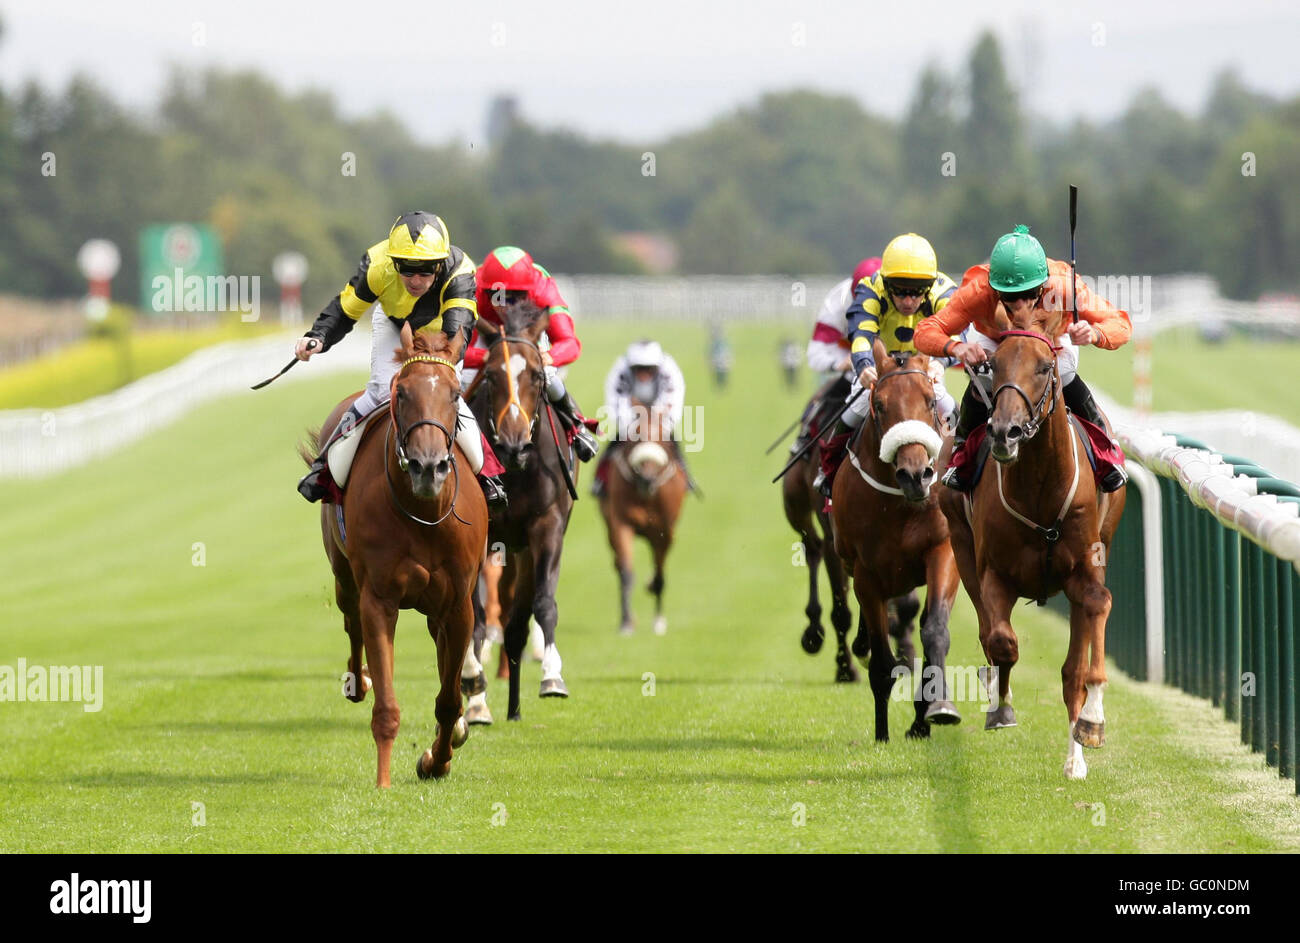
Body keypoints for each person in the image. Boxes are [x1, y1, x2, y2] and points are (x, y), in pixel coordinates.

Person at [294, 211, 507, 505]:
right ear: (393, 262)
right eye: (406, 270)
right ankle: (324, 469)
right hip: (395, 325)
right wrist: (318, 336)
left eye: (425, 271)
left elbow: (458, 331)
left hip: (443, 334)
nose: (415, 280)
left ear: (440, 264)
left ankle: (488, 476)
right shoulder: (377, 264)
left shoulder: (460, 272)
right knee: (382, 390)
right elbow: (345, 309)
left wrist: (433, 366)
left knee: (446, 393)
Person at [913, 224, 1131, 493]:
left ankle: (1104, 452)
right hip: (995, 340)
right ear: (995, 288)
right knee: (984, 377)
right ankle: (962, 456)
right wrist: (955, 348)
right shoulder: (979, 291)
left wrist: (1095, 333)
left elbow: (1120, 324)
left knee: (1061, 371)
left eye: (1029, 295)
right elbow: (924, 332)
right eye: (1010, 298)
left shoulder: (1064, 286)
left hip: (1049, 339)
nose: (1020, 307)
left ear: (1043, 284)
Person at [813, 235, 960, 497]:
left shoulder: (943, 290)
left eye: (916, 292)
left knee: (949, 408)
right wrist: (864, 365)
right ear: (887, 283)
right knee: (853, 411)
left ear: (929, 286)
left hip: (923, 368)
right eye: (901, 291)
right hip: (882, 368)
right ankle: (829, 470)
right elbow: (861, 336)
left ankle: (961, 470)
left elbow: (957, 333)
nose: (908, 301)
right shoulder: (871, 289)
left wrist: (941, 362)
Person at [465, 246, 598, 461]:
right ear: (487, 290)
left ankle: (575, 426)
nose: (506, 305)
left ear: (528, 293)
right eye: (498, 296)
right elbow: (459, 351)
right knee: (462, 379)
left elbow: (569, 342)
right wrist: (486, 357)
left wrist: (550, 357)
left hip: (527, 332)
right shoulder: (474, 290)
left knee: (547, 375)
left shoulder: (542, 289)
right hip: (487, 332)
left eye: (515, 297)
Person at [591, 340, 696, 497]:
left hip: (658, 415)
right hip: (631, 415)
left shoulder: (670, 370)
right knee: (613, 446)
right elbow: (615, 403)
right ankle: (600, 480)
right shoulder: (619, 371)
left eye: (649, 369)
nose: (644, 374)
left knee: (674, 444)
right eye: (639, 369)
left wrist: (655, 421)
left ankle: (686, 477)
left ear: (656, 368)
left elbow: (673, 402)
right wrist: (634, 425)